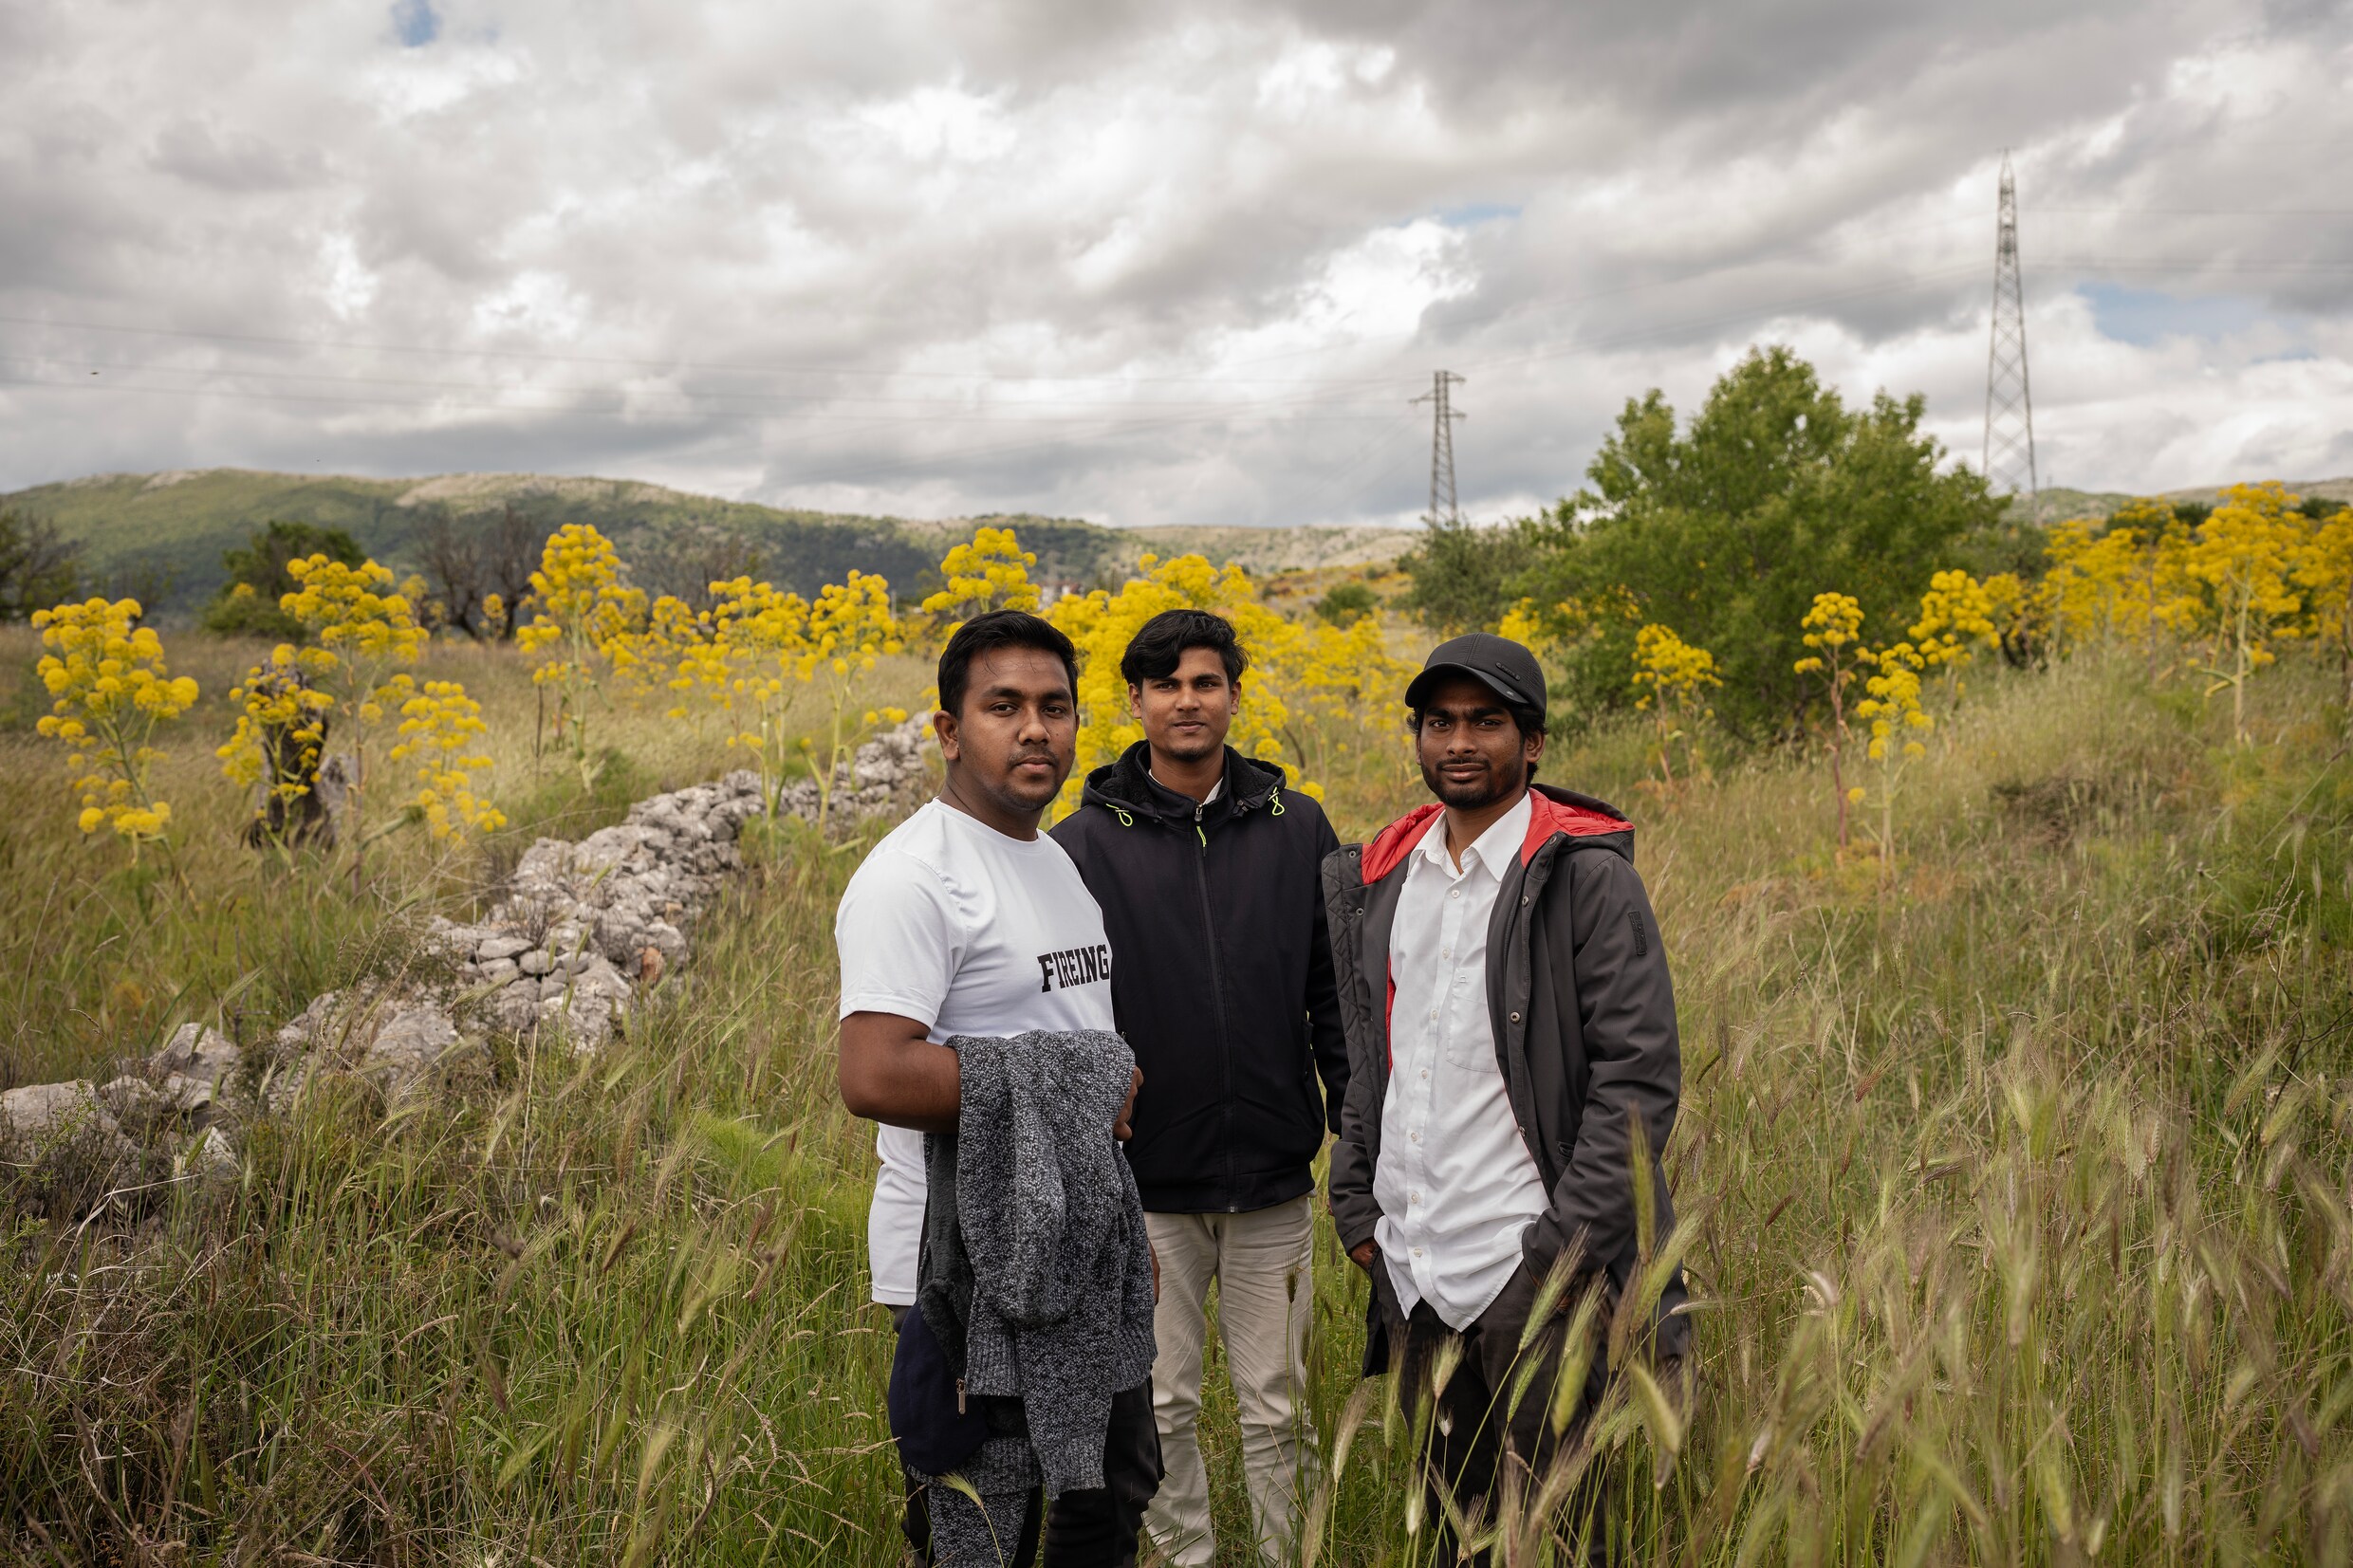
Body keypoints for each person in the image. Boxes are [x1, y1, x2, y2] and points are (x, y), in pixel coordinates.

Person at [1321, 632, 1689, 1560]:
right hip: (1414, 1280)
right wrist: (1358, 1206)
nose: (1458, 741)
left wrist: (1551, 1264)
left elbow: (1637, 1083)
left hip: (1531, 1277)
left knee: (1555, 1540)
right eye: (1438, 722)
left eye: (1485, 722)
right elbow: (1376, 1057)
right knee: (1451, 1532)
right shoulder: (1388, 881)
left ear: (1531, 744)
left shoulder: (1584, 880)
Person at [837, 609, 1161, 1566]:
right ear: (947, 730)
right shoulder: (912, 877)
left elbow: (1069, 1043)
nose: (1034, 729)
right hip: (968, 1277)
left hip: (1076, 1262)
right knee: (986, 1532)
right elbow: (873, 1070)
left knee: (1100, 1522)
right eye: (1003, 706)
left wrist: (1105, 1188)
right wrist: (1082, 1090)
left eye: (1054, 707)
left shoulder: (1049, 857)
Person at [1050, 609, 1347, 1568]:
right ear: (1133, 701)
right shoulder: (1080, 845)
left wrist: (1357, 1134)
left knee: (1277, 1401)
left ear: (1232, 694)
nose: (1187, 700)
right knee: (1163, 1405)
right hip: (1144, 1187)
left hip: (1270, 1173)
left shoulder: (1295, 825)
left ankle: (1286, 1556)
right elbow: (1061, 1017)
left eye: (1205, 682)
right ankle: (1185, 1560)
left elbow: (1331, 995)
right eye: (1166, 684)